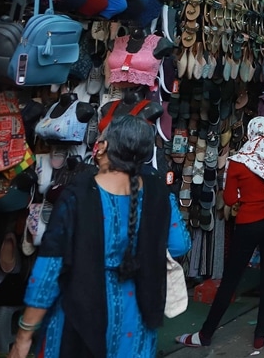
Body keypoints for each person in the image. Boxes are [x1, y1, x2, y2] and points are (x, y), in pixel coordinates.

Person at [12, 116, 190, 358]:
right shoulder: (159, 191)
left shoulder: (77, 196)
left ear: (104, 147)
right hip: (136, 317)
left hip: (83, 315)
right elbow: (179, 244)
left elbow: (49, 272)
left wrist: (24, 336)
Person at [180, 116, 264, 350]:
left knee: (231, 280)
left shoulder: (238, 162)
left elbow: (228, 199)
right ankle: (260, 336)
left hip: (248, 224)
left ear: (249, 133)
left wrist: (241, 199)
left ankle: (205, 335)